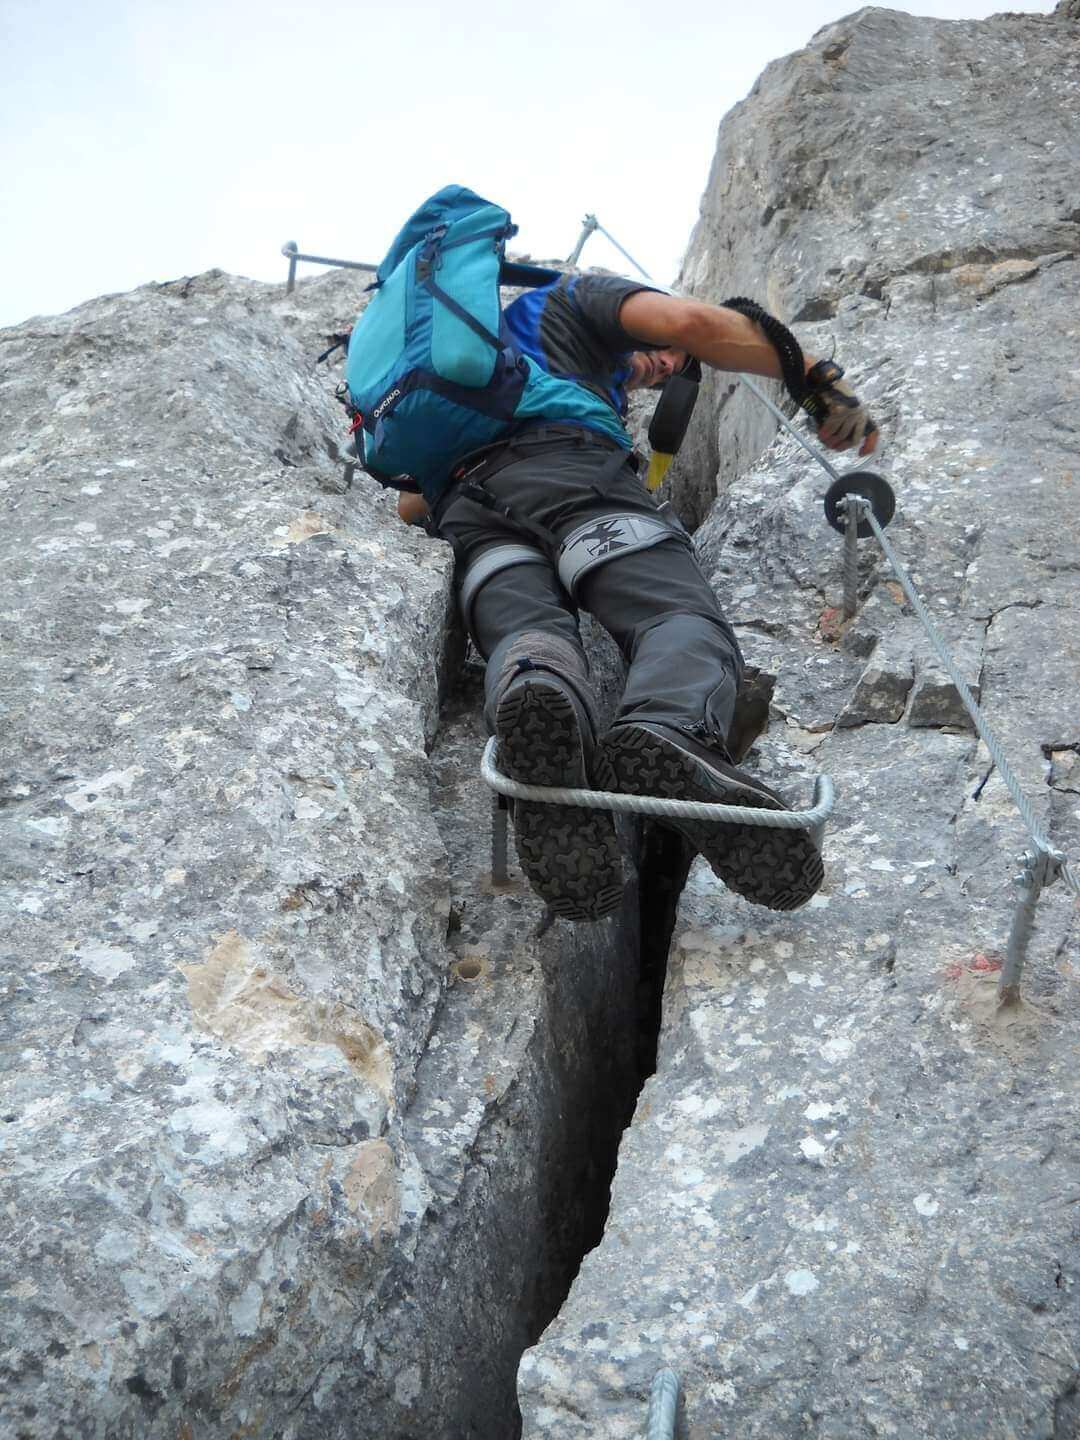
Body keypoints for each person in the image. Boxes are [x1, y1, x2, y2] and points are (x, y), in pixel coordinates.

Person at [408, 273, 879, 922]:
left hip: (473, 517)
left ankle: (539, 701)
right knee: (673, 616)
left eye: (668, 374)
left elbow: (410, 500)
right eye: (656, 354)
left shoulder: (462, 375)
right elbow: (692, 325)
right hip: (575, 481)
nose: (662, 365)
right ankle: (669, 726)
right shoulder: (569, 302)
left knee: (524, 636)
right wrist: (811, 376)